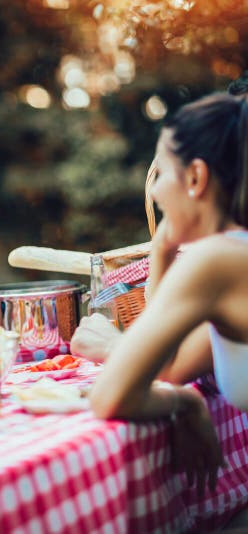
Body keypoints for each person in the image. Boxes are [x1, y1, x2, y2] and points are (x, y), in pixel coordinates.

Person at [89, 92, 248, 493]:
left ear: (195, 178)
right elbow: (168, 363)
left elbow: (110, 395)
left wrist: (184, 402)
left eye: (161, 173)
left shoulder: (217, 260)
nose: (155, 191)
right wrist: (163, 246)